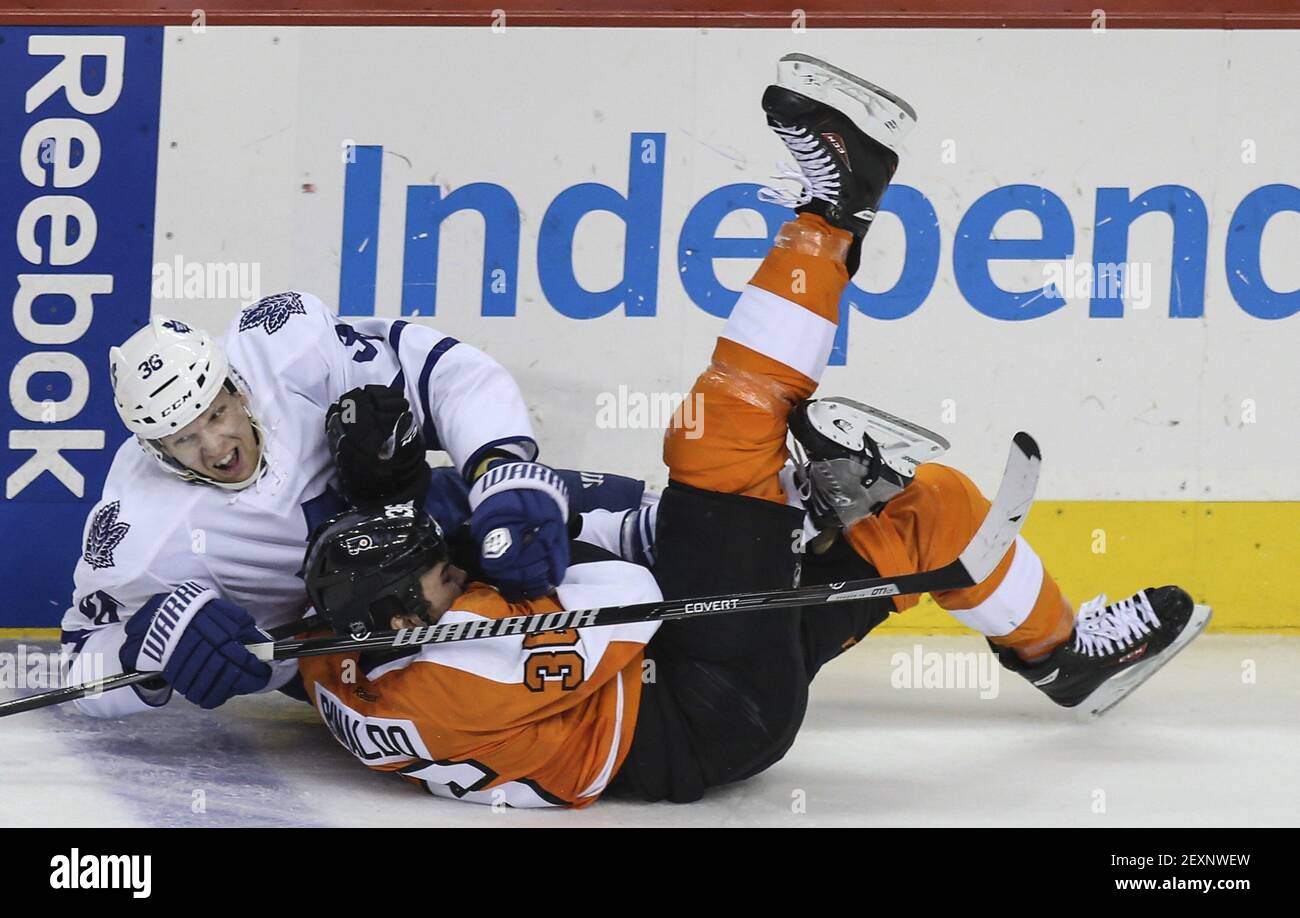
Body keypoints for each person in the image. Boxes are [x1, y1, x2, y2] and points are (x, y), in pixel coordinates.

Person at [296, 55, 1207, 807]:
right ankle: (836, 209)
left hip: (689, 668)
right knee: (720, 443)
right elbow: (623, 587)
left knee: (929, 513)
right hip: (707, 710)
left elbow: (306, 651)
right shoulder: (465, 670)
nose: (455, 565)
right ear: (410, 623)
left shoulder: (341, 655)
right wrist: (767, 528)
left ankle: (1065, 659)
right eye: (447, 576)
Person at [62, 289, 573, 717]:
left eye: (218, 415)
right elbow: (78, 661)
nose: (216, 449)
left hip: (427, 523)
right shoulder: (137, 530)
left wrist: (499, 469)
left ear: (235, 386)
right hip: (335, 647)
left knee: (387, 433)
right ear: (156, 450)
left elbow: (440, 372)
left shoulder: (282, 345)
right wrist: (148, 647)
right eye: (184, 440)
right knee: (487, 703)